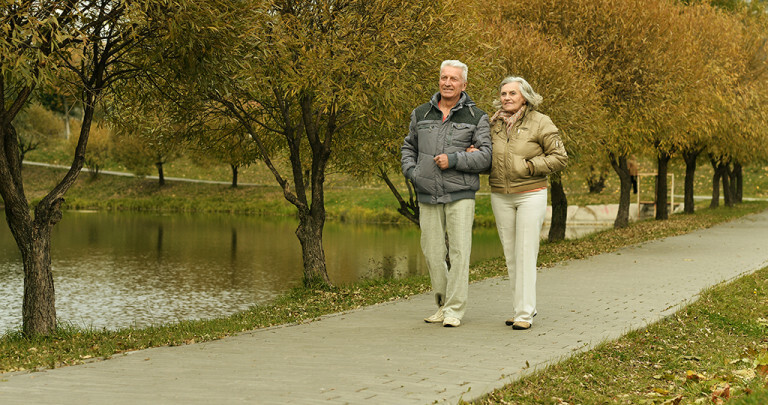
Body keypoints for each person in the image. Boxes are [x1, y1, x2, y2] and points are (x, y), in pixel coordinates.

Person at [401, 60, 492, 327]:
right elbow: (408, 147)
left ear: (464, 84)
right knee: (432, 252)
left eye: (453, 79)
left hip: (460, 193)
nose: (447, 83)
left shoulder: (477, 116)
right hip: (427, 192)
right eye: (444, 77)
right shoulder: (421, 113)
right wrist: (413, 172)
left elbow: (486, 157)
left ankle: (454, 310)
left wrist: (453, 160)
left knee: (460, 253)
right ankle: (442, 305)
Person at [486, 76, 568, 330]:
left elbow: (560, 157)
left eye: (513, 93)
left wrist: (530, 166)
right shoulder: (493, 124)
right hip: (500, 194)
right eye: (504, 93)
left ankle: (524, 314)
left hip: (530, 193)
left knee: (525, 252)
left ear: (525, 96)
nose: (507, 98)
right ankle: (522, 308)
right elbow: (487, 155)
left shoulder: (540, 121)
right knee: (511, 255)